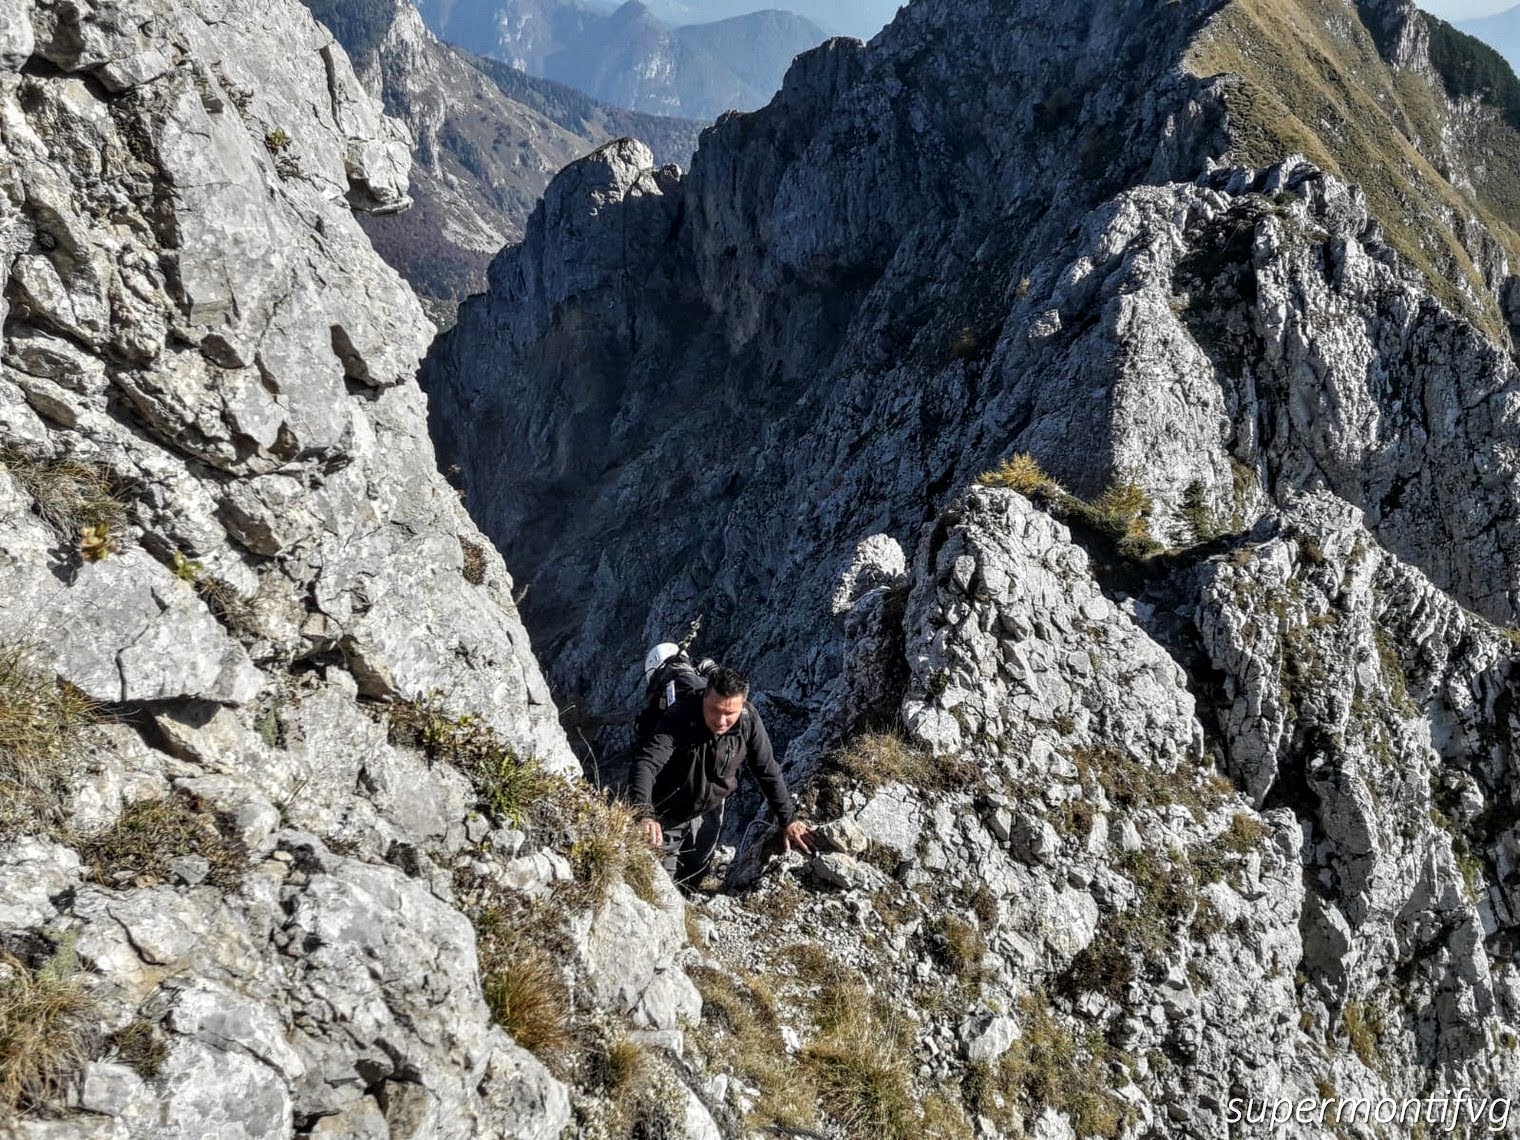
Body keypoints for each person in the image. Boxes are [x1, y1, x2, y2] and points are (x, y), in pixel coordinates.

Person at [630, 665, 815, 890]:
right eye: (714, 710)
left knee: (697, 867)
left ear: (742, 706)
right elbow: (647, 762)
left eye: (729, 714)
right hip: (668, 812)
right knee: (661, 883)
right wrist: (645, 814)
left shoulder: (748, 720)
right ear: (704, 697)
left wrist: (788, 820)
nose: (720, 720)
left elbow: (767, 770)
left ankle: (692, 896)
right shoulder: (681, 713)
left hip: (710, 809)